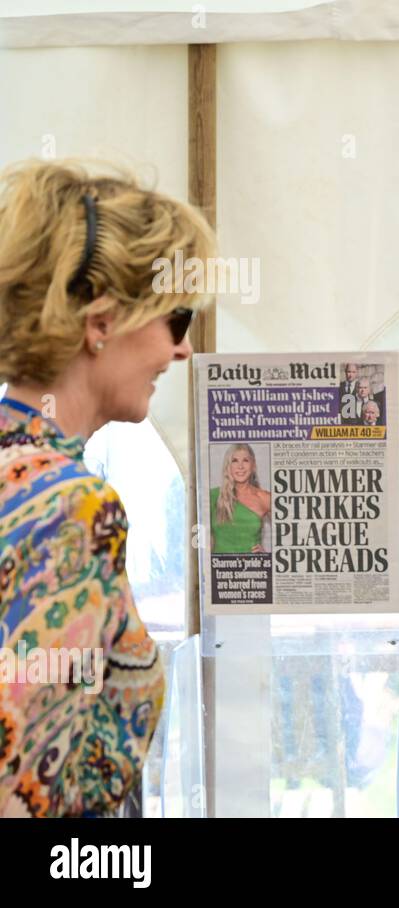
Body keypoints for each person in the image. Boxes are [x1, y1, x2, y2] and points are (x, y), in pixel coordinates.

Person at [0, 159, 214, 816]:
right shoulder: (69, 507)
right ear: (101, 322)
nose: (182, 351)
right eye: (176, 319)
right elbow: (23, 788)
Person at [210, 443, 271, 554]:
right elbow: (201, 540)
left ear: (253, 466)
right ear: (228, 466)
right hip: (219, 568)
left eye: (246, 460)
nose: (240, 466)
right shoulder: (212, 496)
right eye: (235, 461)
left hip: (254, 568)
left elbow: (291, 536)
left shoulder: (265, 498)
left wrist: (268, 556)